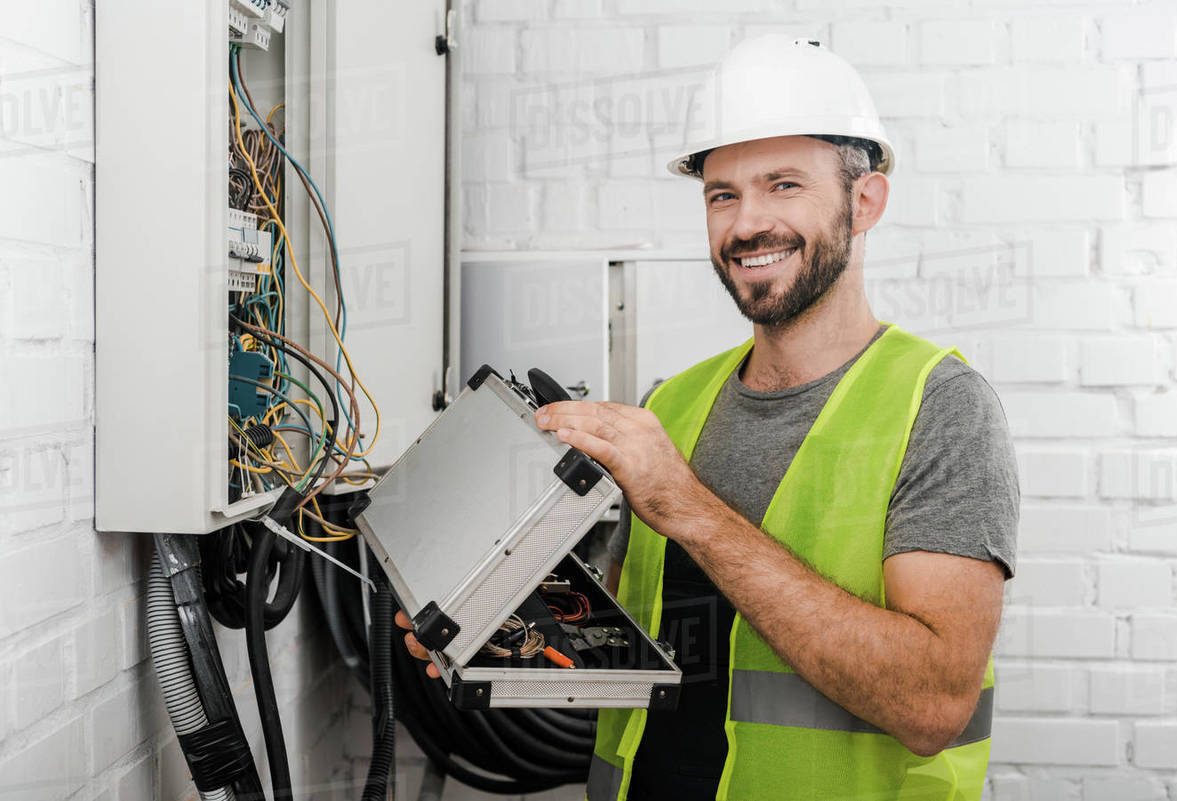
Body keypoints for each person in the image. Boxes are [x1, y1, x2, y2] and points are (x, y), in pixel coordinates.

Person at [401, 34, 1018, 801]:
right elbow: (643, 652)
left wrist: (688, 506)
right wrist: (502, 634)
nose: (746, 223)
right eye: (722, 193)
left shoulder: (941, 406)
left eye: (784, 184)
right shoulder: (675, 403)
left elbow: (932, 703)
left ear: (866, 203)